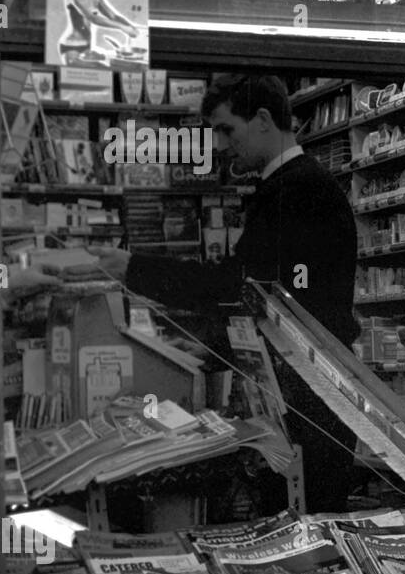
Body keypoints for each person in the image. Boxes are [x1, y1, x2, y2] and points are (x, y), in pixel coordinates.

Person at [91, 73, 360, 513]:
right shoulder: (290, 186)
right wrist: (205, 344)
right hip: (307, 394)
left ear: (262, 120)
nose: (220, 144)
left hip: (312, 400)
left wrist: (136, 269)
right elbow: (258, 294)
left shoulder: (297, 190)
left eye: (226, 129)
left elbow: (236, 287)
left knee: (307, 525)